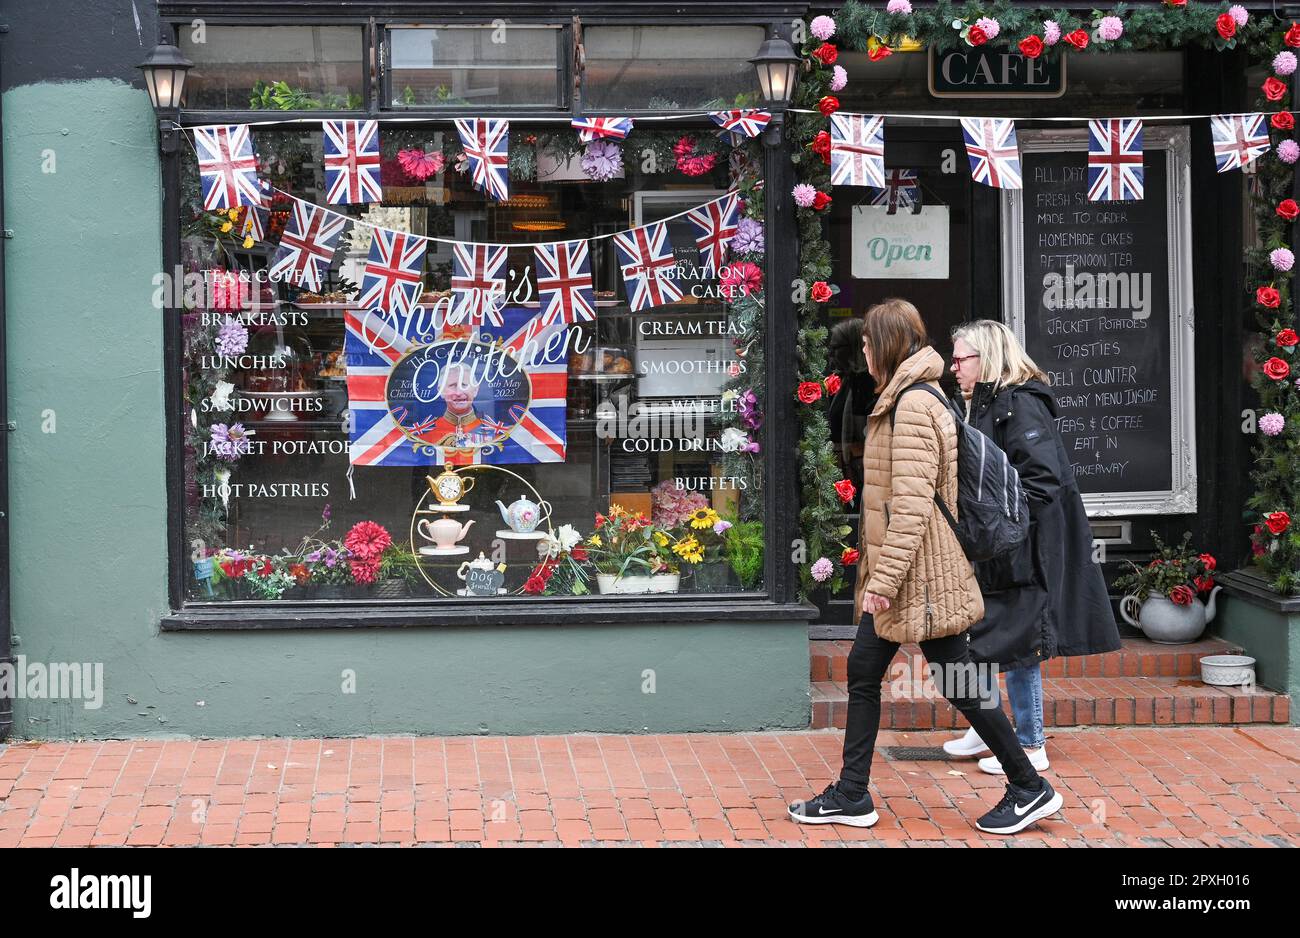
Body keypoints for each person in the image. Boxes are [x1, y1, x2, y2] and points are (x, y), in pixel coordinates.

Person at [788, 299, 1063, 835]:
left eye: (868, 341)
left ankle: (1029, 785)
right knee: (870, 673)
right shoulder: (907, 397)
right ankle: (852, 794)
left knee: (957, 681)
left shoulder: (913, 405)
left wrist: (882, 581)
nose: (862, 350)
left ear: (887, 345)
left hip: (920, 576)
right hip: (913, 573)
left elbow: (911, 505)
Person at [942, 320, 1121, 774]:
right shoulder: (988, 404)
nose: (953, 367)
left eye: (962, 358)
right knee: (979, 631)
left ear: (988, 358)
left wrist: (1007, 530)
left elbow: (1041, 482)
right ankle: (986, 730)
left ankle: (1029, 743)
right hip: (998, 544)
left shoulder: (1018, 405)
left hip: (1023, 548)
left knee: (1020, 642)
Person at [826, 318, 875, 501]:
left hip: (859, 469)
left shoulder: (865, 383)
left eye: (836, 348)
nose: (830, 354)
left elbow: (863, 431)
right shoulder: (846, 381)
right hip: (847, 466)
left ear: (853, 347)